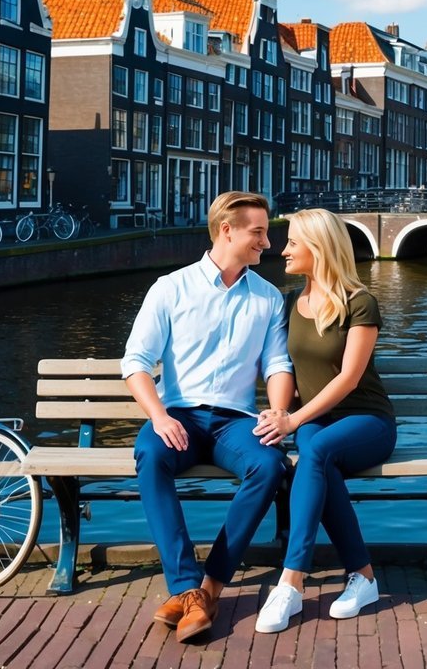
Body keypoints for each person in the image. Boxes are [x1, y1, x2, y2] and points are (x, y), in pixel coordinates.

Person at [122, 191, 294, 643]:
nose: (267, 242)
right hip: (177, 413)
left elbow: (278, 365)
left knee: (270, 463)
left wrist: (277, 411)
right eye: (258, 232)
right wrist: (158, 417)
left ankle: (209, 587)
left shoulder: (268, 297)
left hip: (234, 421)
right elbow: (136, 363)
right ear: (227, 231)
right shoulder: (170, 288)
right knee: (149, 454)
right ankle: (183, 587)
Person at [251, 207, 397, 633]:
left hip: (366, 420)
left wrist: (293, 421)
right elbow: (283, 367)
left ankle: (290, 583)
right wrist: (279, 410)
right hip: (314, 421)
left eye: (293, 242)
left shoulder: (360, 303)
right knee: (317, 457)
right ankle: (364, 577)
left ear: (320, 247)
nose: (283, 250)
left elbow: (350, 379)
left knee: (314, 452)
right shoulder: (291, 303)